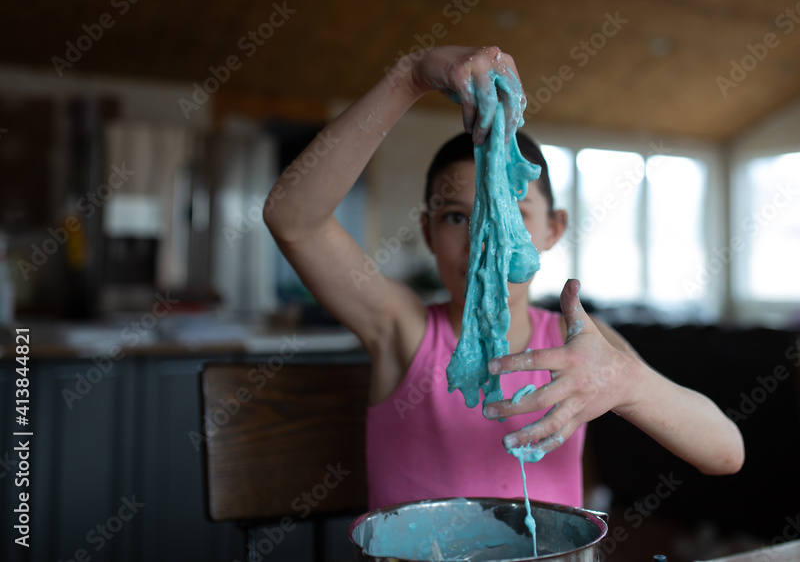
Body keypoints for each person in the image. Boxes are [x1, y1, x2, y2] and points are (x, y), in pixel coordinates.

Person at [263, 45, 744, 510]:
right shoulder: (402, 329)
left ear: (552, 230)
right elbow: (293, 220)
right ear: (427, 233)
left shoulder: (576, 344)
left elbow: (725, 452)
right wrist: (409, 76)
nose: (484, 240)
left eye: (511, 213)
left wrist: (627, 384)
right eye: (456, 217)